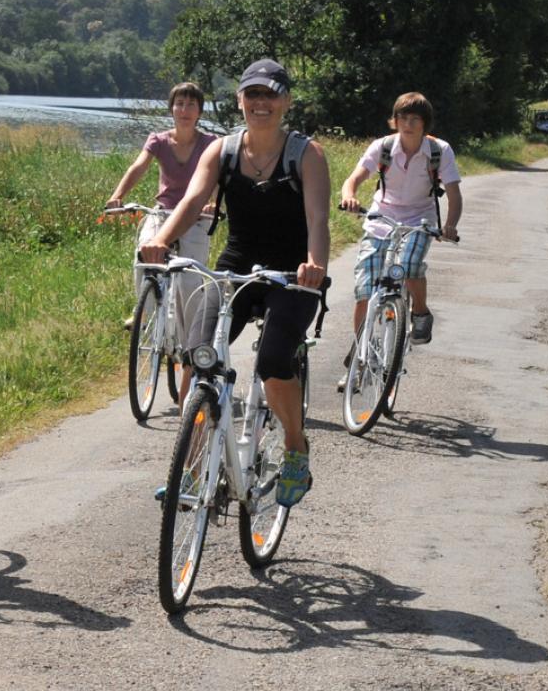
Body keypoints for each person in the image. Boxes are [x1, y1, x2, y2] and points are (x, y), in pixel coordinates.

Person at [139, 59, 330, 507]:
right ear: (240, 99)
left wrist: (315, 264)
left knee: (273, 361)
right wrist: (162, 240)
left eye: (270, 94)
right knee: (199, 358)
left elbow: (318, 218)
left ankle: (295, 447)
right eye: (252, 94)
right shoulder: (222, 151)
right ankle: (193, 469)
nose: (261, 103)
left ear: (286, 101)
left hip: (293, 273)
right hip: (236, 266)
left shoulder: (307, 154)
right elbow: (192, 201)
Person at [336, 92, 462, 383]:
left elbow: (454, 194)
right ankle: (360, 358)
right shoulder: (382, 147)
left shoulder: (439, 151)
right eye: (402, 118)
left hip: (419, 220)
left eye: (415, 119)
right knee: (365, 290)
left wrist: (450, 225)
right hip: (381, 220)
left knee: (409, 264)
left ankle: (420, 313)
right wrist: (349, 196)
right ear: (394, 121)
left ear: (425, 124)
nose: (408, 124)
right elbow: (354, 178)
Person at [105, 81, 215, 394]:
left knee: (190, 283)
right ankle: (146, 314)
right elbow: (138, 166)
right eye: (179, 104)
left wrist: (212, 202)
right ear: (171, 108)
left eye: (191, 104)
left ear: (199, 111)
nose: (184, 110)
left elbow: (218, 177)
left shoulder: (210, 143)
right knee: (144, 253)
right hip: (163, 212)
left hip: (195, 217)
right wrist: (118, 195)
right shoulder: (158, 140)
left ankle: (191, 345)